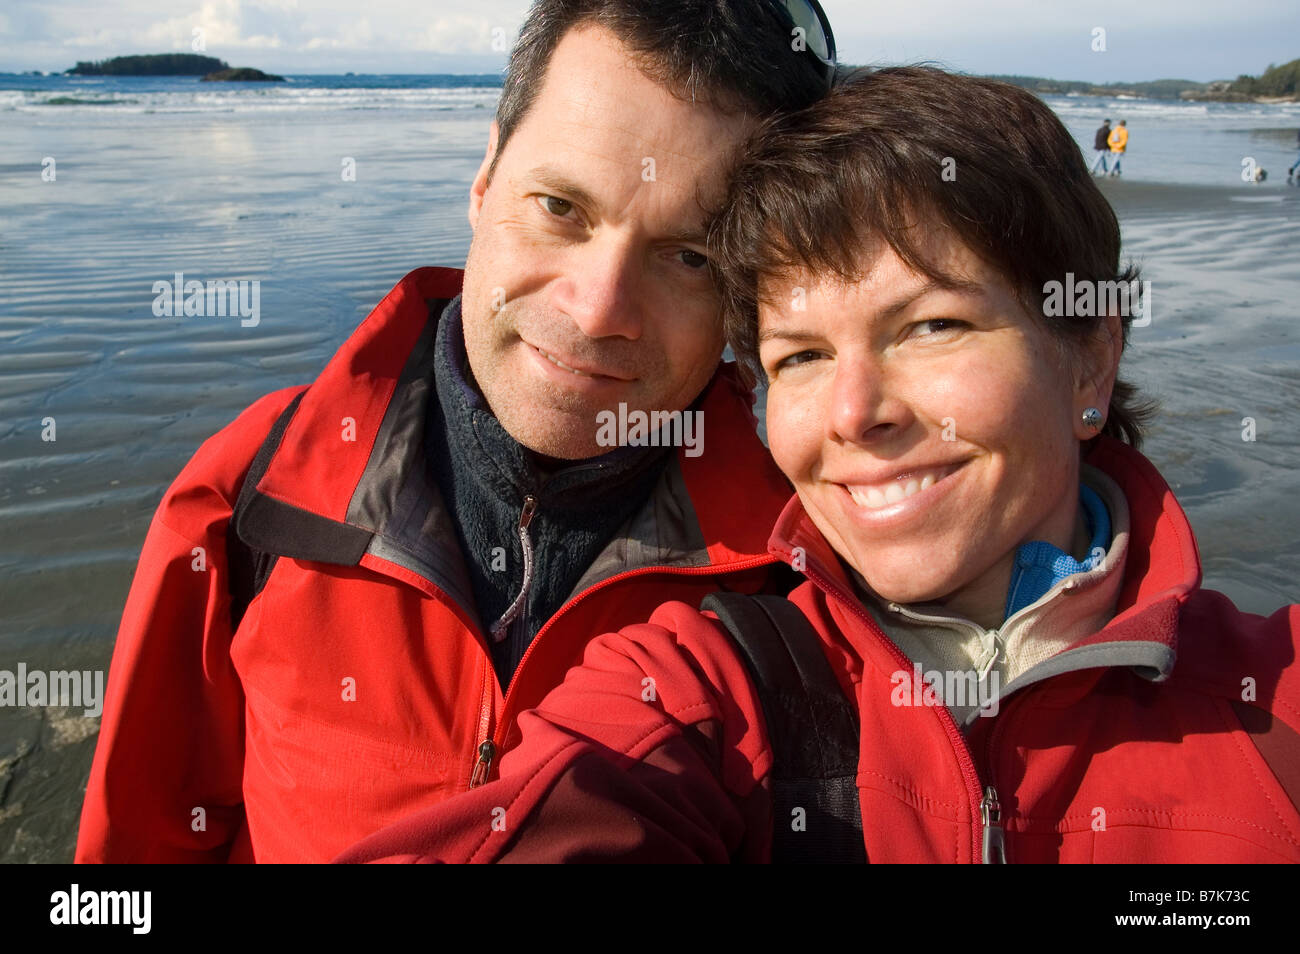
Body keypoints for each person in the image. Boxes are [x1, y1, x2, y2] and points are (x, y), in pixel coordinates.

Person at [339, 66, 1300, 864]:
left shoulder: (1275, 703)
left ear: (1090, 353)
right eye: (799, 356)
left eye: (931, 326)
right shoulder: (699, 686)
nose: (852, 414)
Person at [75, 0, 837, 863]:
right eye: (560, 207)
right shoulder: (256, 489)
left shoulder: (802, 583)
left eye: (690, 257)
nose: (597, 309)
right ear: (485, 178)